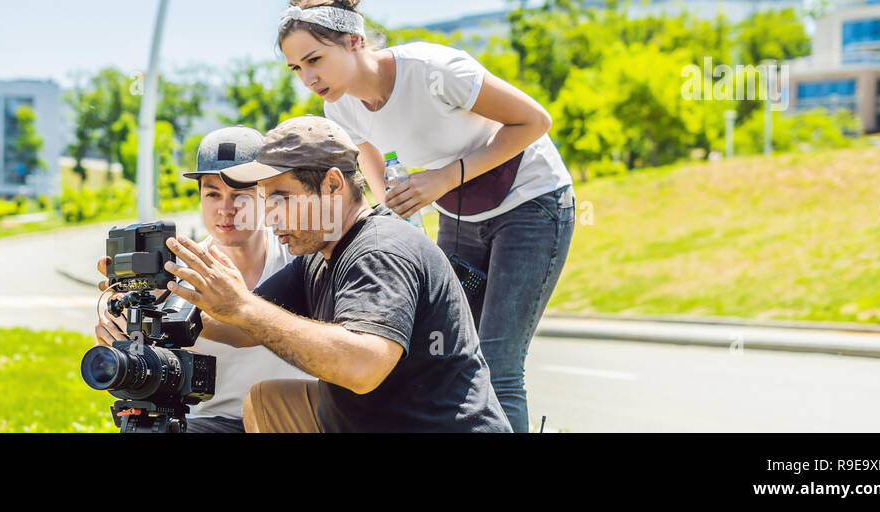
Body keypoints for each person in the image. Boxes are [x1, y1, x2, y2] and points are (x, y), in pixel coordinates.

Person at [276, 0, 576, 432]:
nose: (308, 78)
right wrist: (394, 229)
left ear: (354, 40)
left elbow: (534, 121)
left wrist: (443, 179)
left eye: (314, 60)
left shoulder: (435, 69)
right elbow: (380, 185)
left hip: (532, 202)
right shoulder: (340, 109)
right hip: (460, 214)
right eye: (296, 69)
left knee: (498, 360)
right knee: (447, 353)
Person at [156, 115, 509, 433]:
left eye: (281, 197)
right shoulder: (320, 255)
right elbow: (239, 327)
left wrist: (245, 308)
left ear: (332, 185)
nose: (270, 215)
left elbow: (363, 366)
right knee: (269, 400)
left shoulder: (379, 251)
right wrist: (153, 300)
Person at [95, 126, 310, 433]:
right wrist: (121, 334)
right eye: (213, 194)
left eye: (240, 195)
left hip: (286, 419)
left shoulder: (300, 259)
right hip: (205, 422)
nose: (226, 209)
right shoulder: (168, 275)